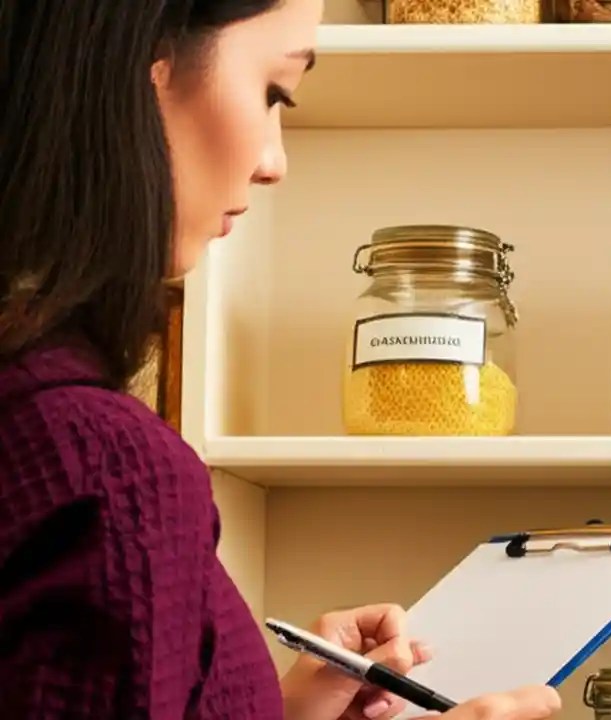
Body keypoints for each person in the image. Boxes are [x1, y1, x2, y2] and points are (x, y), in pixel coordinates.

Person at [0, 2, 563, 719]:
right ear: (145, 69)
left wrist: (264, 705)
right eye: (275, 92)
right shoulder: (105, 466)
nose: (275, 162)